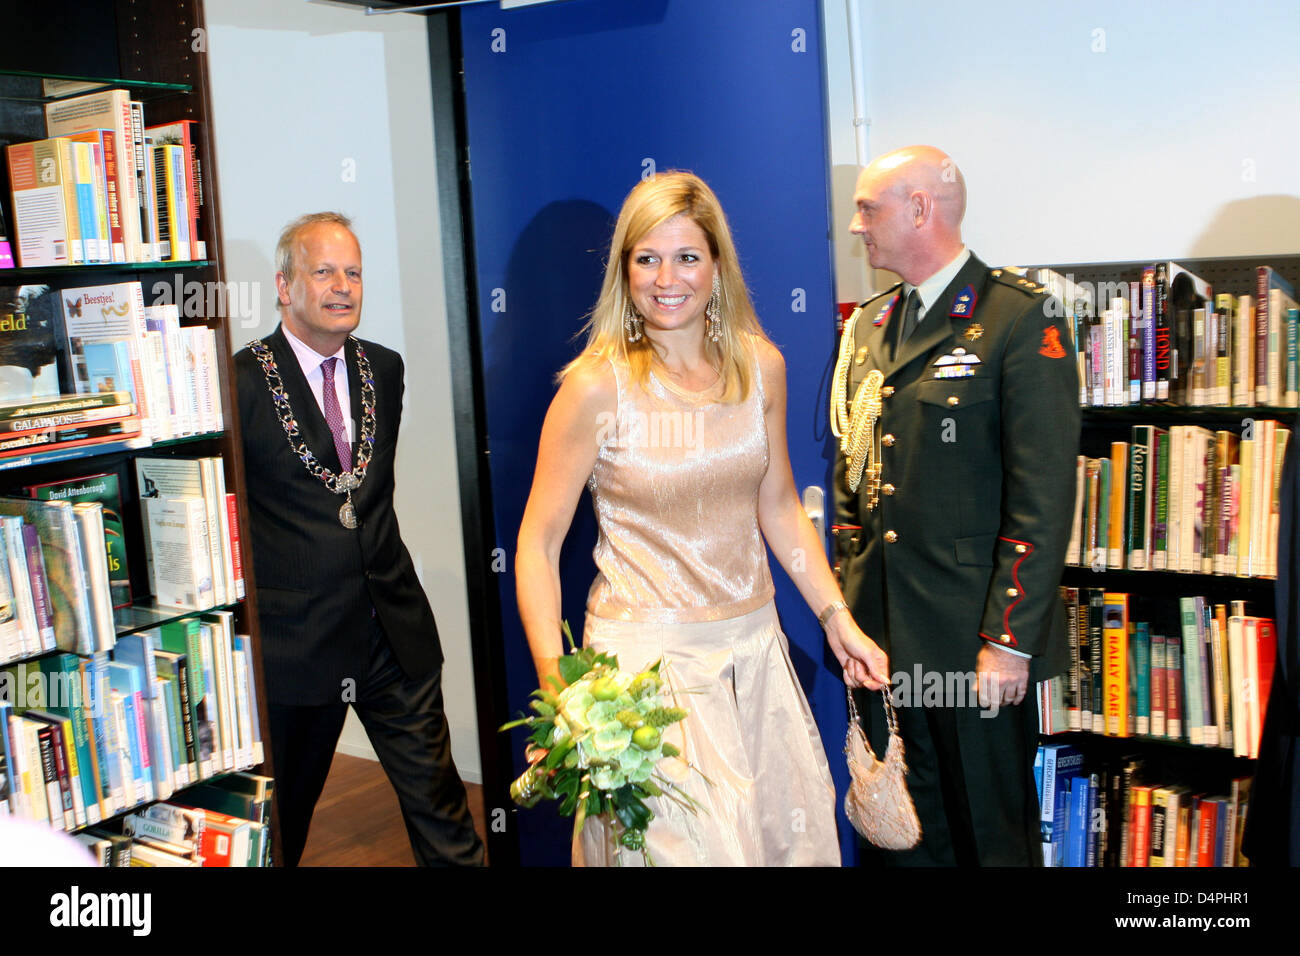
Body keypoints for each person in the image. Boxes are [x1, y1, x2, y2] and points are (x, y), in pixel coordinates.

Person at [515, 172, 889, 867]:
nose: (667, 278)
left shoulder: (760, 367)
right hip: (643, 684)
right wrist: (556, 687)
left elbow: (777, 504)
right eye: (646, 258)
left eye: (687, 256)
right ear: (624, 270)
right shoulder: (596, 388)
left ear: (717, 265)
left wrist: (838, 619)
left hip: (753, 659)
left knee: (780, 848)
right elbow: (536, 545)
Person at [832, 146, 1079, 866]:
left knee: (988, 840)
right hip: (884, 643)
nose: (856, 227)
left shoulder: (1018, 318)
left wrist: (1008, 641)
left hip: (972, 644)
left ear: (920, 209)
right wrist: (850, 619)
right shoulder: (871, 326)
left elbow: (1042, 498)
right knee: (902, 837)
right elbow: (854, 481)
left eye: (867, 208)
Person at [235, 212, 482, 867]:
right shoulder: (241, 384)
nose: (342, 285)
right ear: (285, 286)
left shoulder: (386, 369)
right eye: (323, 271)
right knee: (279, 827)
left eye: (353, 272)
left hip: (390, 633)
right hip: (300, 646)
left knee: (445, 816)